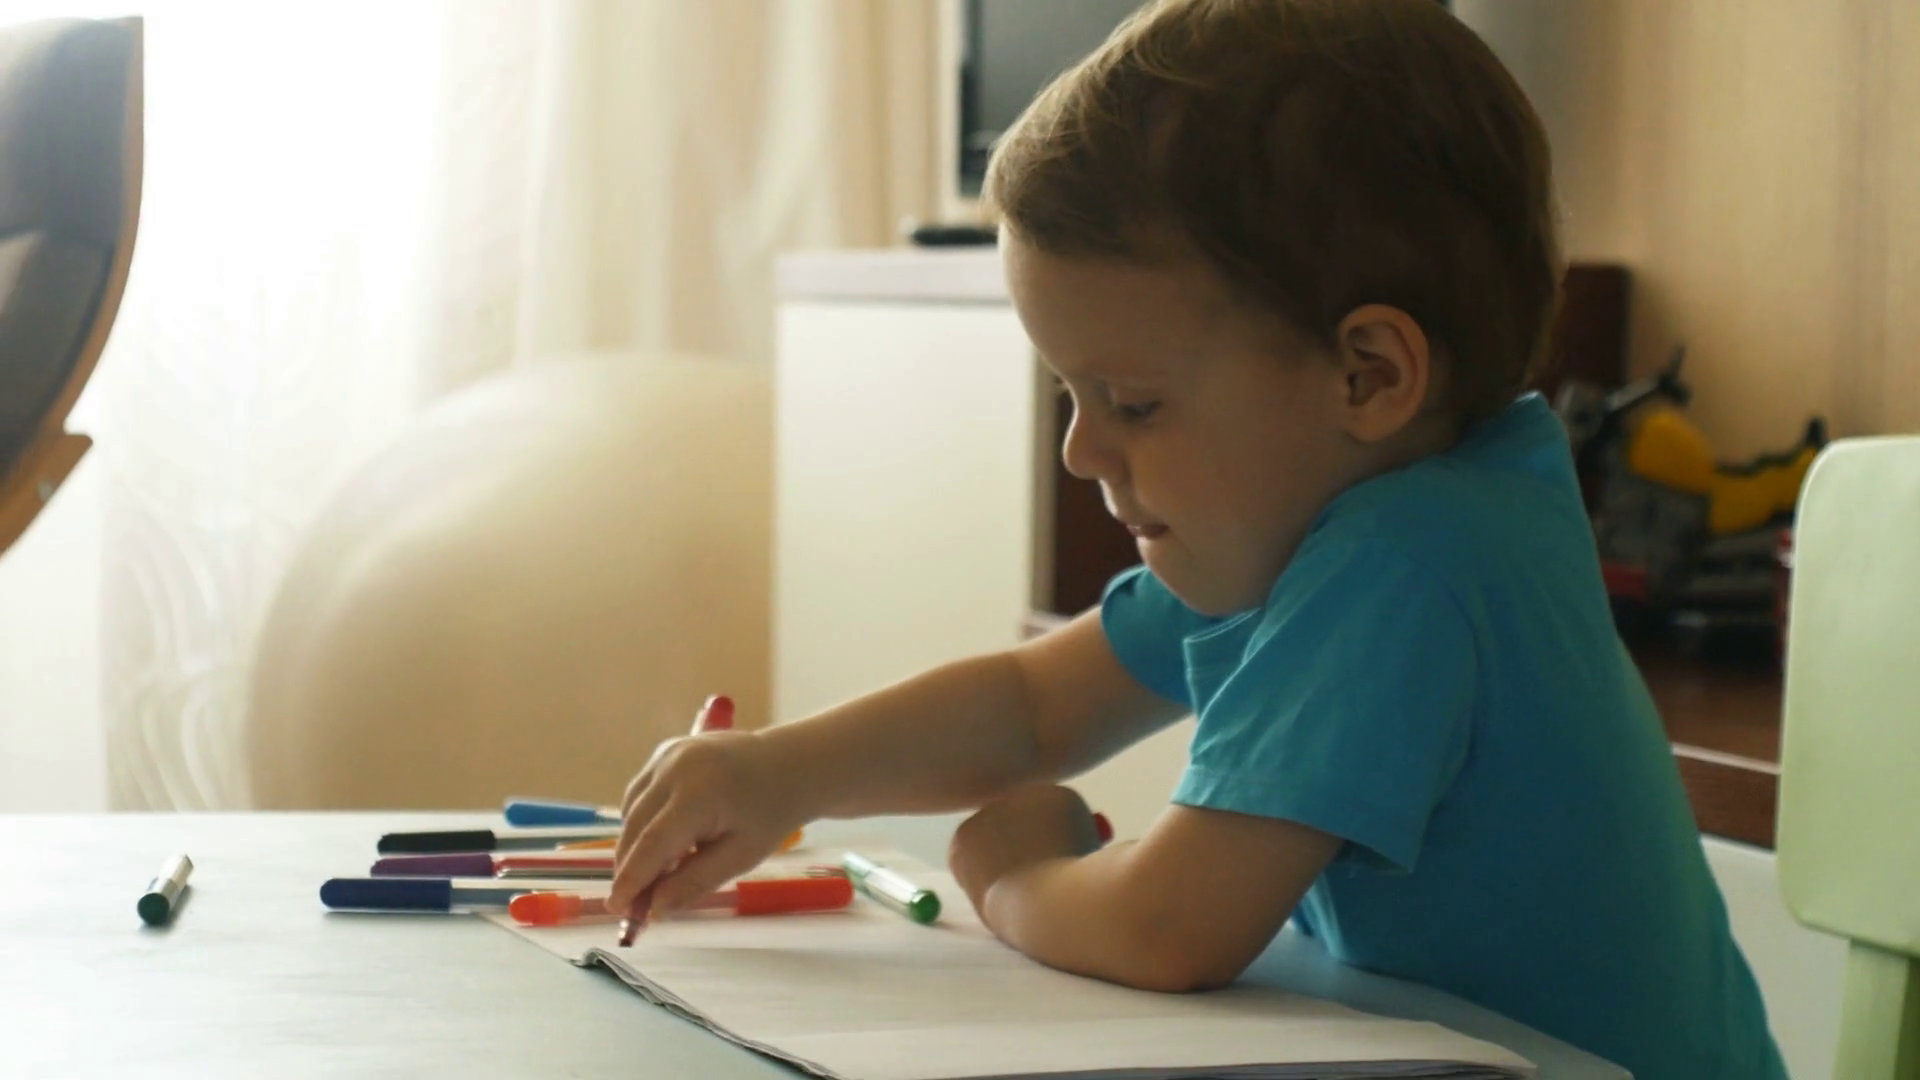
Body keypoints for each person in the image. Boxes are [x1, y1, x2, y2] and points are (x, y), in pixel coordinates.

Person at [609, 1, 1786, 1074]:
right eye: (1070, 397)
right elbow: (1035, 707)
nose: (1083, 452)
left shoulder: (1409, 557)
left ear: (1368, 375)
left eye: (1134, 403)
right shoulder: (1334, 509)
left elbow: (1171, 927)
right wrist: (782, 771)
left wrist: (1015, 880)